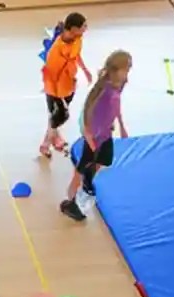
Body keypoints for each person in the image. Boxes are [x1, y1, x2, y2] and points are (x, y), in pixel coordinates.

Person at [61, 50, 131, 221]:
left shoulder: (120, 84)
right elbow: (88, 108)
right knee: (82, 167)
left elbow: (116, 106)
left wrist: (121, 125)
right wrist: (89, 135)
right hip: (94, 135)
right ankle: (70, 200)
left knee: (104, 161)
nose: (128, 73)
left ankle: (88, 178)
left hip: (106, 133)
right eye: (126, 69)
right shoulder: (103, 88)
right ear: (116, 70)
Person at [39, 12, 92, 158]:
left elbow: (76, 54)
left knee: (56, 116)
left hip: (69, 83)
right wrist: (56, 96)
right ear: (73, 29)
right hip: (55, 87)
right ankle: (45, 144)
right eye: (83, 27)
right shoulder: (56, 51)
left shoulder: (77, 39)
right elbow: (51, 74)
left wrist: (85, 70)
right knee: (60, 115)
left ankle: (54, 136)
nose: (86, 29)